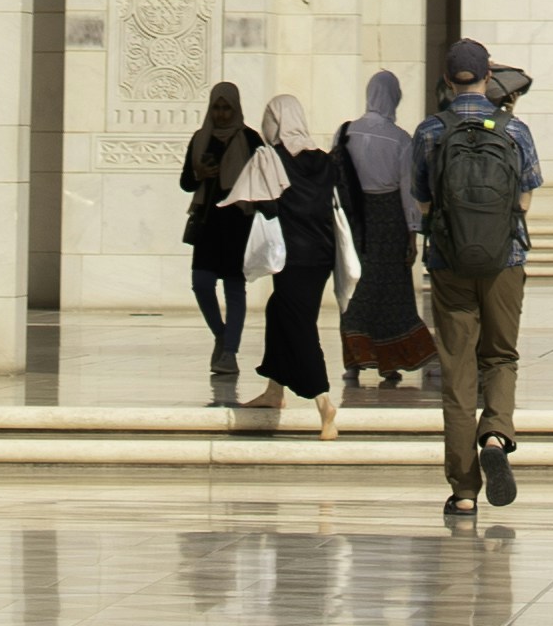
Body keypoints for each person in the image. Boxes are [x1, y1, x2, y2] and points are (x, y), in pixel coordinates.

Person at [412, 35, 541, 522]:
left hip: (449, 263)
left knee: (458, 372)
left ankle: (464, 491)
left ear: (447, 79)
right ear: (488, 76)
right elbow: (526, 197)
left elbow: (422, 202)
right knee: (500, 356)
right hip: (504, 260)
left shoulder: (429, 131)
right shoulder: (514, 129)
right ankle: (495, 434)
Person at [245, 91, 341, 436]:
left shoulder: (272, 158)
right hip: (321, 255)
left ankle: (323, 402)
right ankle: (274, 392)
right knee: (279, 312)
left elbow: (264, 206)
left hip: (291, 256)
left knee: (300, 325)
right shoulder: (325, 159)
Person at [334, 74, 435, 393]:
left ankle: (354, 359)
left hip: (353, 220)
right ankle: (390, 362)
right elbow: (408, 191)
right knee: (391, 292)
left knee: (357, 284)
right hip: (389, 221)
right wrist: (412, 236)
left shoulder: (344, 132)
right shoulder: (400, 139)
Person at [180, 78, 265, 385]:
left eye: (226, 107)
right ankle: (222, 335)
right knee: (201, 283)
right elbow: (186, 183)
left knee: (233, 287)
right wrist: (199, 173)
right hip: (207, 221)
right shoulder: (201, 138)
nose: (221, 114)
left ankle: (229, 353)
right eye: (216, 107)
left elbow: (266, 181)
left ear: (236, 108)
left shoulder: (251, 140)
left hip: (237, 222)